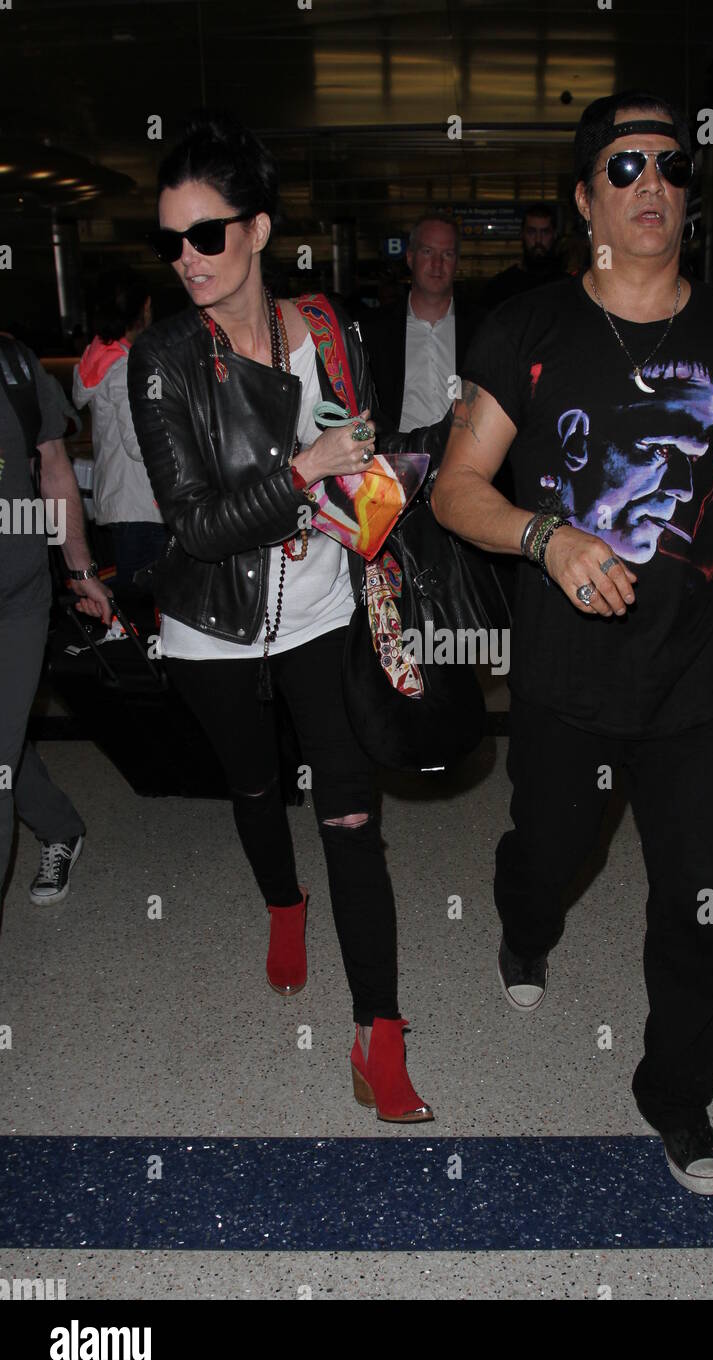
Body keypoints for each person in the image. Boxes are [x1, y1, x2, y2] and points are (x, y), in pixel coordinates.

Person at [431, 90, 713, 1195]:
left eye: (672, 166)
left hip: (694, 679)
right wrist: (544, 536)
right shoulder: (529, 328)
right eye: (626, 166)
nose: (654, 185)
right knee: (553, 854)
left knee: (701, 898)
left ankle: (677, 1099)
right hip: (564, 679)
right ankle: (523, 920)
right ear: (588, 196)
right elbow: (456, 491)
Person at [128, 112, 449, 1123]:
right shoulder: (163, 360)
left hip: (321, 612)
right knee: (257, 787)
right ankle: (282, 904)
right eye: (171, 241)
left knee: (352, 818)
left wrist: (375, 489)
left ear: (258, 230)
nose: (187, 259)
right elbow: (199, 524)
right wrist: (300, 472)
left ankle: (378, 1040)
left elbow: (348, 451)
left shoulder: (329, 331)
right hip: (210, 626)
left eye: (207, 235)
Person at [0, 333, 112, 913]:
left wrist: (81, 568)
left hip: (13, 598)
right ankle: (59, 824)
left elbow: (53, 469)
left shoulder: (15, 366)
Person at [73, 270, 167, 596]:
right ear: (144, 308)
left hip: (120, 499)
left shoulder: (98, 358)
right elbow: (139, 443)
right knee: (142, 595)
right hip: (140, 502)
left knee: (133, 589)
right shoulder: (127, 365)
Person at [360, 213, 486, 431]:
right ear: (410, 257)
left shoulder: (482, 329)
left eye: (447, 254)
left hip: (465, 458)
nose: (437, 264)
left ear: (457, 262)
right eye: (428, 252)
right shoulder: (375, 331)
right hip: (397, 460)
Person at [483, 204, 567, 310]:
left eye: (545, 232)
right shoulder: (500, 287)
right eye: (531, 232)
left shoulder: (567, 287)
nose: (538, 240)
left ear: (554, 235)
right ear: (522, 234)